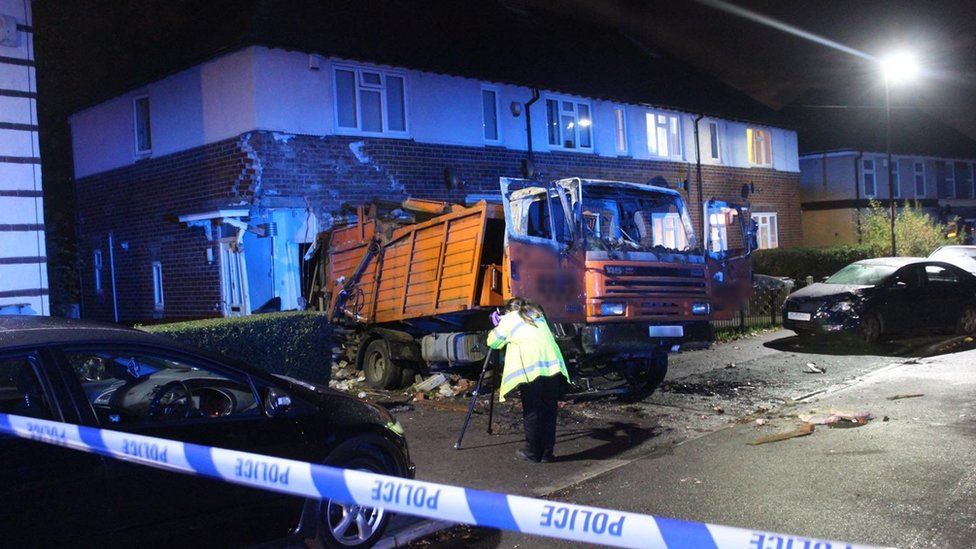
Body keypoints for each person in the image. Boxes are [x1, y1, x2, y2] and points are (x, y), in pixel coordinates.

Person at [487, 298, 570, 463]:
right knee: (548, 411)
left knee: (532, 412)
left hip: (531, 371)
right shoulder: (537, 315)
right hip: (553, 368)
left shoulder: (509, 319)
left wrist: (497, 325)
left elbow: (493, 342)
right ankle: (547, 453)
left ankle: (532, 453)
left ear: (508, 311)